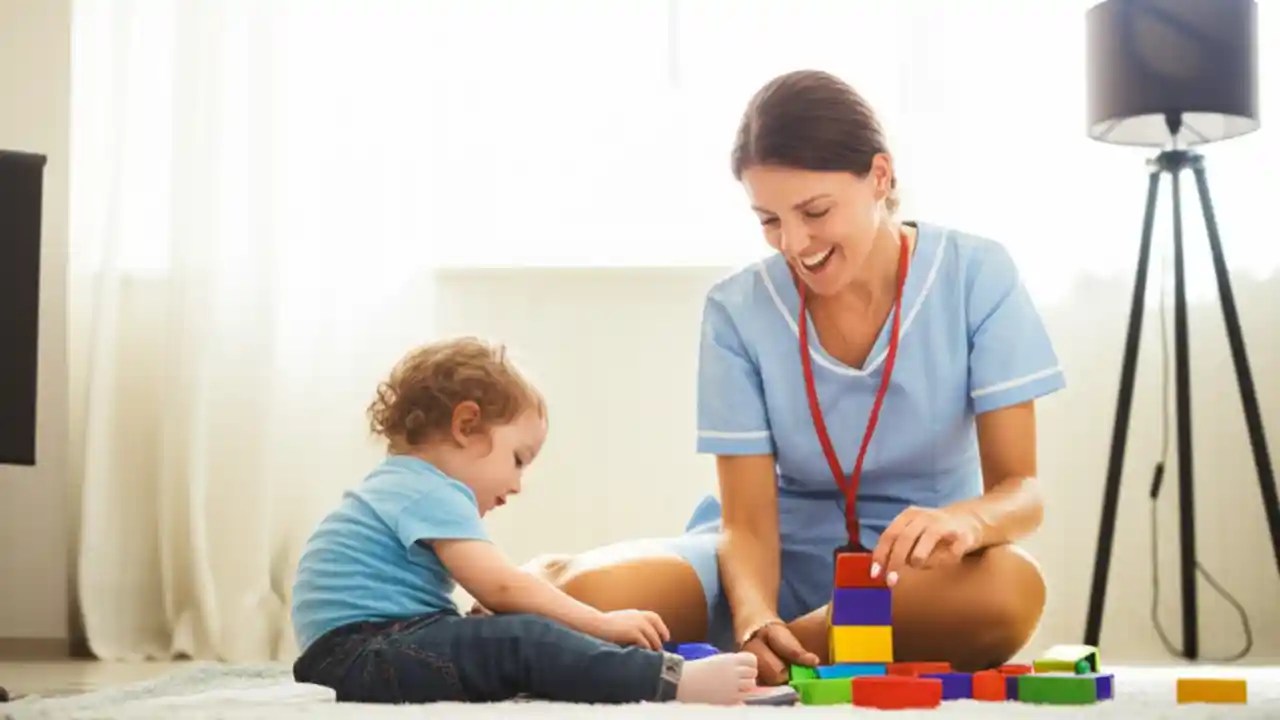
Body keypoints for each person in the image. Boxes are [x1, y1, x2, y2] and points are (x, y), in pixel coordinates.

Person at [512, 69, 1065, 685]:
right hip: (766, 561)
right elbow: (746, 524)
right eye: (769, 220)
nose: (794, 243)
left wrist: (966, 522)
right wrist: (754, 614)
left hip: (913, 578)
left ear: (880, 177)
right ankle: (596, 593)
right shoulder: (737, 309)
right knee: (586, 597)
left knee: (1011, 591)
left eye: (815, 211)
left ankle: (773, 655)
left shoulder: (976, 274)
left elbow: (1022, 490)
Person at [289, 337, 759, 705]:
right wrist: (601, 623)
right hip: (365, 652)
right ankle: (668, 681)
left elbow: (486, 592)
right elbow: (504, 587)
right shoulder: (430, 487)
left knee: (506, 638)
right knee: (527, 640)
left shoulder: (401, 484)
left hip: (354, 650)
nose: (517, 485)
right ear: (466, 426)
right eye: (517, 459)